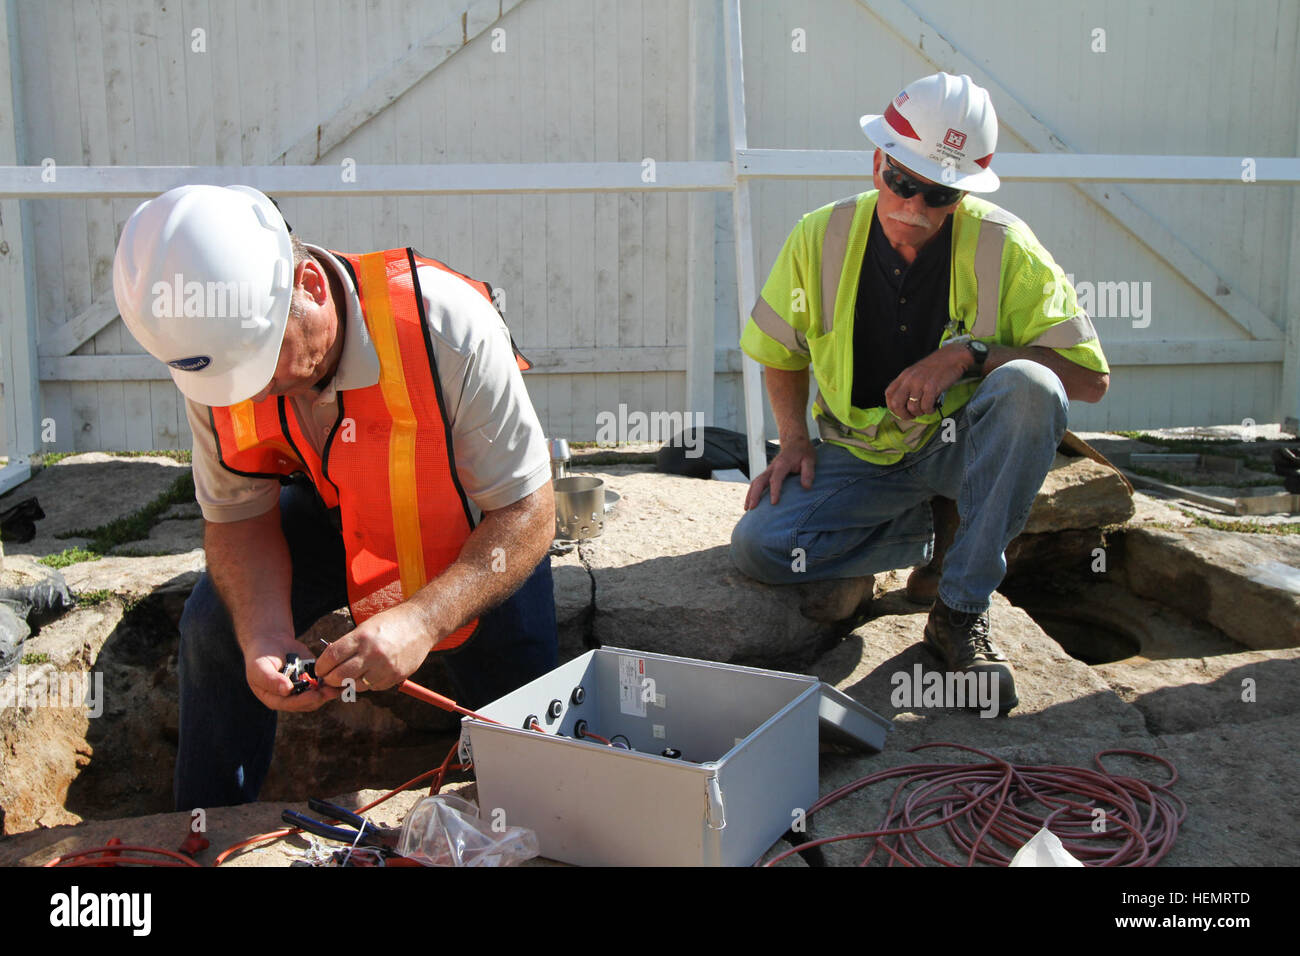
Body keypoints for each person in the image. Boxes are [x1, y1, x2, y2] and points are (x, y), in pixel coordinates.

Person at [112, 185, 558, 807]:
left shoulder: (445, 326)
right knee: (216, 625)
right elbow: (239, 519)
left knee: (529, 733)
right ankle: (205, 830)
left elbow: (530, 514)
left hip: (477, 530)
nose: (256, 392)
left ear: (310, 286)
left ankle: (540, 815)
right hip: (335, 510)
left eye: (265, 366)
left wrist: (422, 619)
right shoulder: (213, 359)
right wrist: (264, 635)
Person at [730, 73, 1110, 713]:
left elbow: (1087, 380)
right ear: (878, 162)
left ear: (962, 194)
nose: (913, 206)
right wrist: (793, 439)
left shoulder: (1006, 246)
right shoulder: (818, 236)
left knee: (1031, 385)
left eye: (937, 195)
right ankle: (934, 532)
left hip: (962, 450)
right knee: (761, 548)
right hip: (862, 454)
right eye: (901, 182)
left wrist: (969, 355)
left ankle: (958, 611)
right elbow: (780, 350)